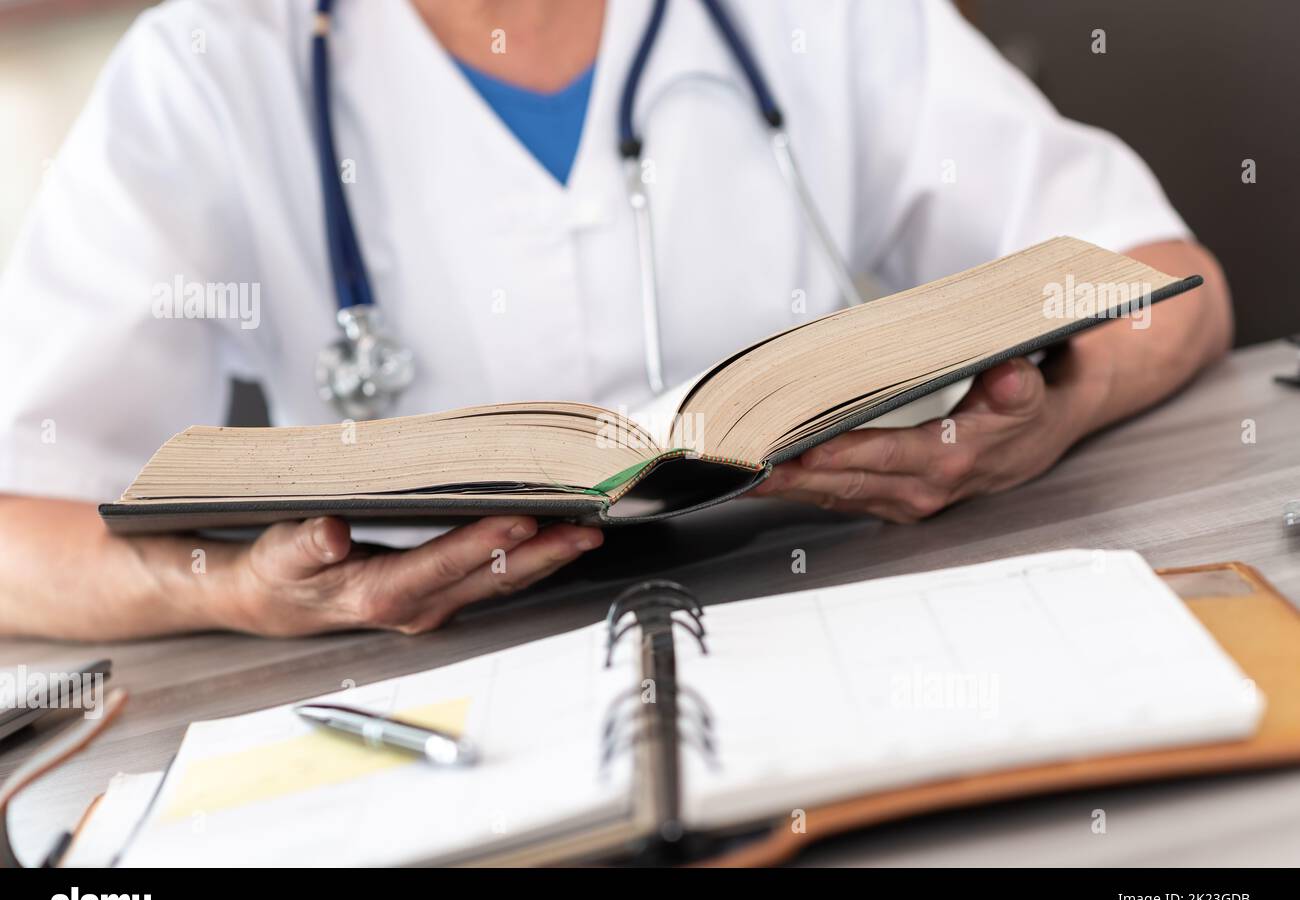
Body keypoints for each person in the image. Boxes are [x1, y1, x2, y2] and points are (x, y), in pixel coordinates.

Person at [0, 0, 1232, 640]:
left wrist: (1056, 409)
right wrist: (238, 591)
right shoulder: (210, 69)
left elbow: (1164, 276)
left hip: (842, 595)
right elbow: (14, 526)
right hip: (418, 684)